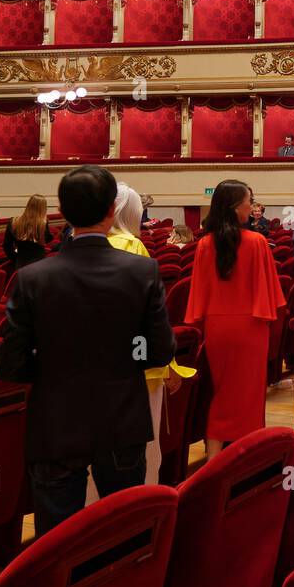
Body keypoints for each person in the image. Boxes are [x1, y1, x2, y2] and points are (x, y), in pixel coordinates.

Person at [0, 166, 176, 536]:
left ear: (62, 212)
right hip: (122, 419)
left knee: (56, 542)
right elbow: (158, 352)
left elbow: (11, 365)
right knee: (123, 531)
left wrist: (52, 371)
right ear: (112, 210)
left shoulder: (32, 278)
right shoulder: (143, 271)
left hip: (56, 422)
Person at [185, 180, 284, 460]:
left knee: (222, 394)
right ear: (234, 207)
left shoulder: (205, 244)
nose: (251, 207)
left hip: (217, 327)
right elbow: (269, 293)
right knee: (249, 397)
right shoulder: (257, 242)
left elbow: (199, 292)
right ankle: (247, 458)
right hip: (251, 326)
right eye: (248, 202)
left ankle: (214, 460)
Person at [105, 183, 195, 487]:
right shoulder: (131, 246)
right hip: (139, 372)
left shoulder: (83, 246)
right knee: (143, 452)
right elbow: (147, 317)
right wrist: (168, 363)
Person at [3, 194, 53, 270]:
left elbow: (7, 246)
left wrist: (15, 259)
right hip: (40, 265)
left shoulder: (13, 222)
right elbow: (48, 239)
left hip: (21, 264)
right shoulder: (43, 223)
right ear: (43, 209)